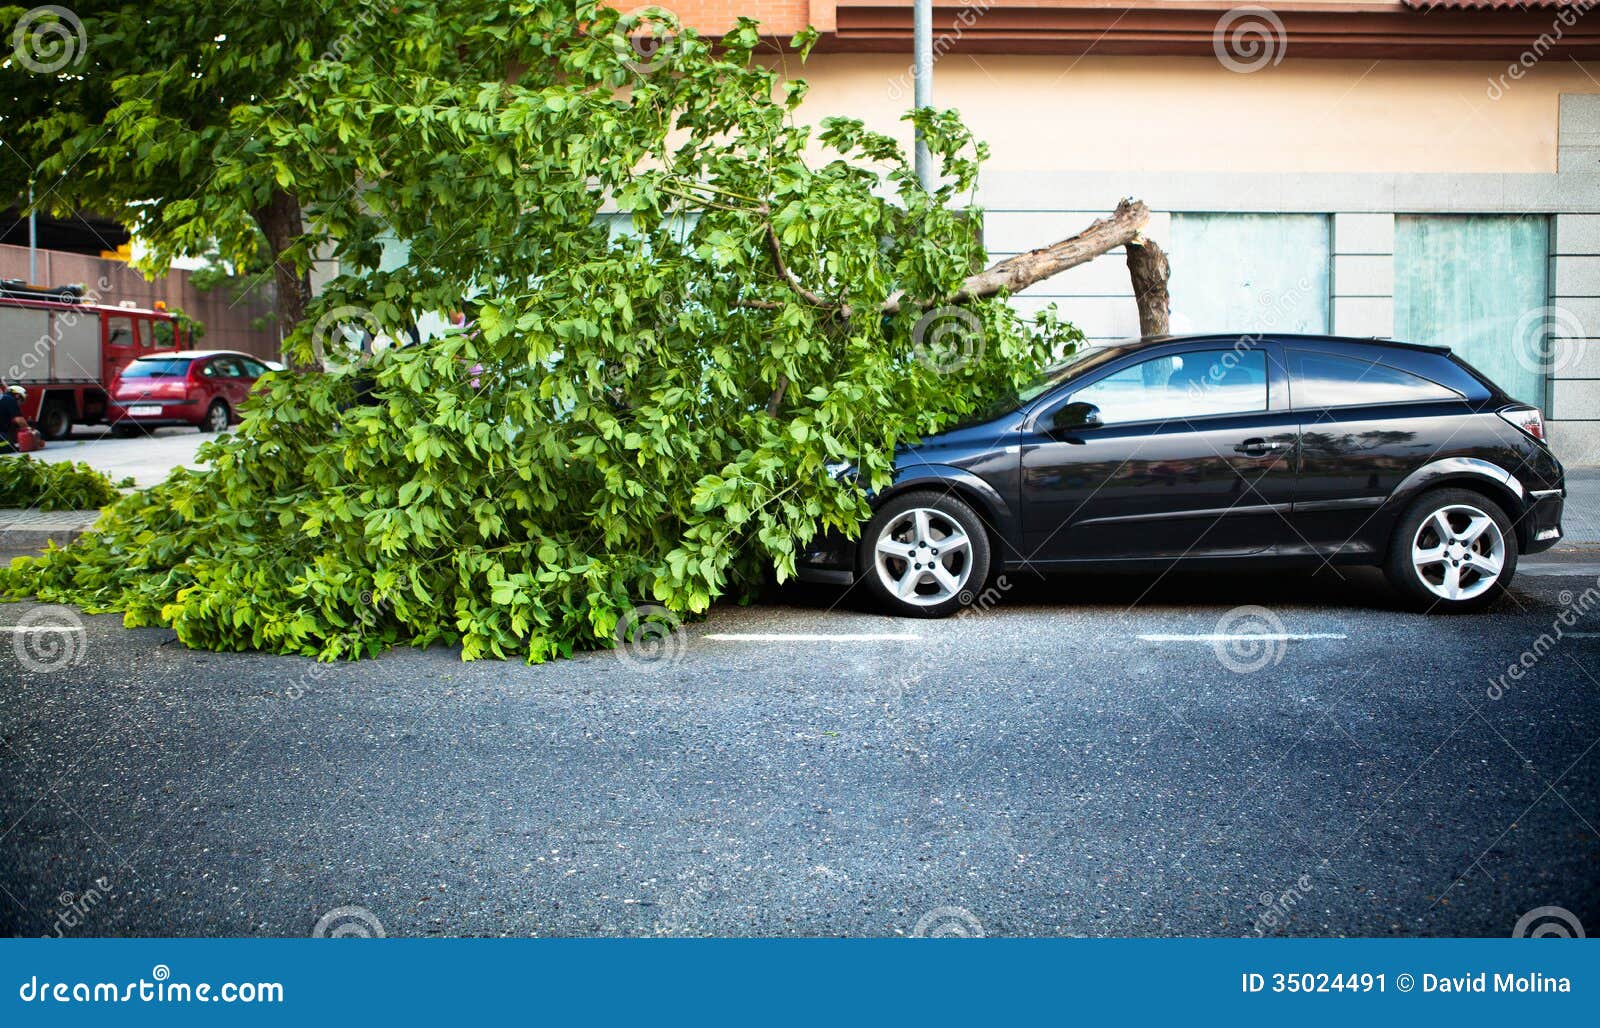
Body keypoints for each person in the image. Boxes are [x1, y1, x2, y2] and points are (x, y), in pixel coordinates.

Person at [0, 380, 29, 453]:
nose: (20, 404)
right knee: (10, 448)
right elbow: (20, 421)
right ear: (17, 395)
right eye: (21, 400)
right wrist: (30, 431)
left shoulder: (4, 399)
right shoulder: (10, 400)